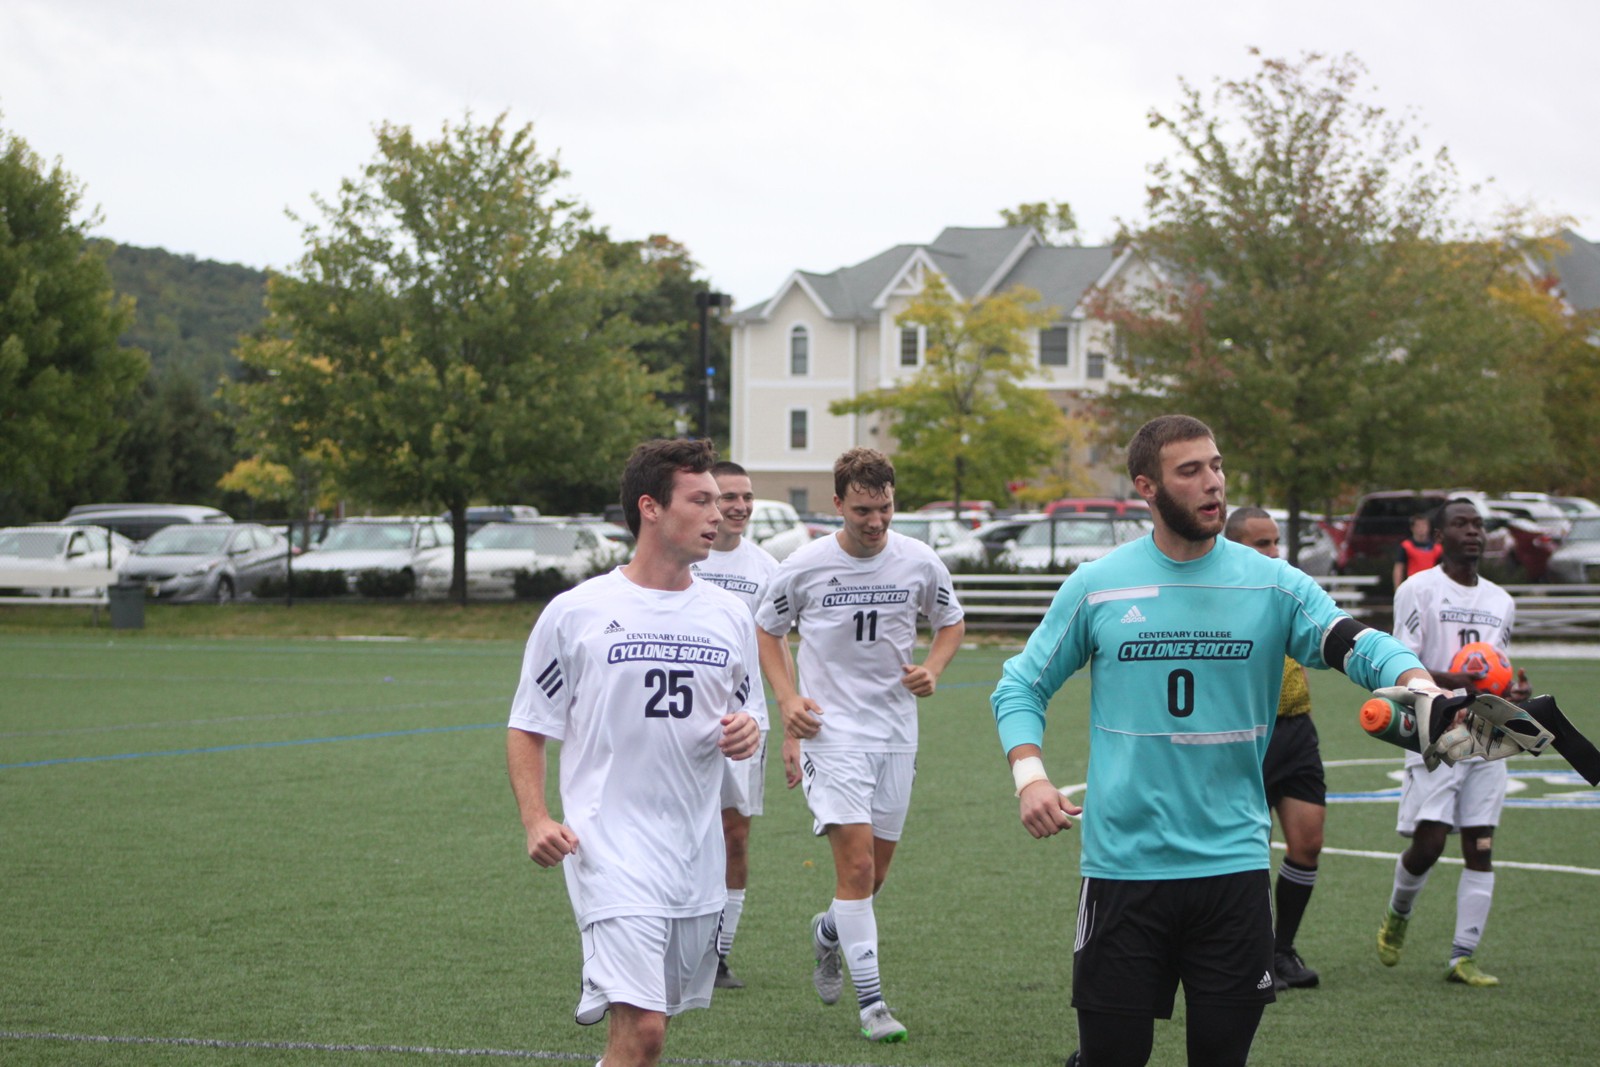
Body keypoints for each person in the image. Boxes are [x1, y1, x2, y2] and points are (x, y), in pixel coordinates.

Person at [991, 415, 1440, 1067]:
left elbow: (1355, 642)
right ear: (1147, 486)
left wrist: (1418, 682)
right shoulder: (1099, 584)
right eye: (1190, 470)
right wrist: (1029, 776)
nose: (1213, 483)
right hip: (1123, 871)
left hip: (1232, 870)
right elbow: (1019, 686)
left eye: (1217, 465)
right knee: (1112, 1059)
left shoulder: (1271, 582)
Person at [506, 438, 764, 1067]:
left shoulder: (730, 615)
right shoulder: (577, 612)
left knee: (643, 1038)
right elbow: (528, 725)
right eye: (700, 500)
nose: (719, 514)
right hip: (608, 849)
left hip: (694, 854)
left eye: (720, 501)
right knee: (645, 1029)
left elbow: (751, 710)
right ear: (651, 508)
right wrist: (536, 818)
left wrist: (749, 730)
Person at [755, 447, 966, 1044]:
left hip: (895, 733)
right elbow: (767, 630)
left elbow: (950, 622)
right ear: (838, 504)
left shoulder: (919, 560)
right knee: (856, 866)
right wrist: (788, 699)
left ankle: (827, 933)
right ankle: (873, 1006)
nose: (876, 522)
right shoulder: (804, 565)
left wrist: (934, 668)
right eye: (863, 511)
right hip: (831, 734)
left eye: (885, 509)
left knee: (873, 879)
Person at [1377, 498, 1530, 988]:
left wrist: (1513, 694)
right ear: (1439, 536)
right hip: (1436, 728)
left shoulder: (1501, 601)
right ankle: (1398, 913)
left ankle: (1462, 957)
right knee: (1429, 844)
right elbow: (1401, 662)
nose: (1473, 532)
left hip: (1489, 731)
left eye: (1478, 524)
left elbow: (1497, 670)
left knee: (1481, 845)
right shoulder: (1417, 590)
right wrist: (1455, 682)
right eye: (1461, 524)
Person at [1223, 506, 1325, 992]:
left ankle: (1282, 950)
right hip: (1247, 732)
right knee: (1249, 851)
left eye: (1276, 541)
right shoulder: (1224, 593)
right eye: (1262, 543)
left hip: (1297, 729)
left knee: (1307, 844)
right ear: (1235, 547)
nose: (1274, 552)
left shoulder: (1287, 589)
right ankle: (1253, 955)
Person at [690, 460, 781, 990]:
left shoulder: (767, 568)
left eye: (747, 497)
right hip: (683, 719)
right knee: (683, 830)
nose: (740, 506)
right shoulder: (685, 559)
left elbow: (776, 645)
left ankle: (718, 952)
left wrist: (791, 719)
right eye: (729, 496)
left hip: (746, 723)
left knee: (735, 836)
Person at [1393, 511, 1443, 591]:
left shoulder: (1437, 548)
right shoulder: (1406, 546)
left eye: (1424, 525)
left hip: (1432, 587)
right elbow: (1399, 568)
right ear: (1412, 528)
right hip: (1413, 587)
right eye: (1418, 526)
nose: (1421, 528)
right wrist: (1398, 589)